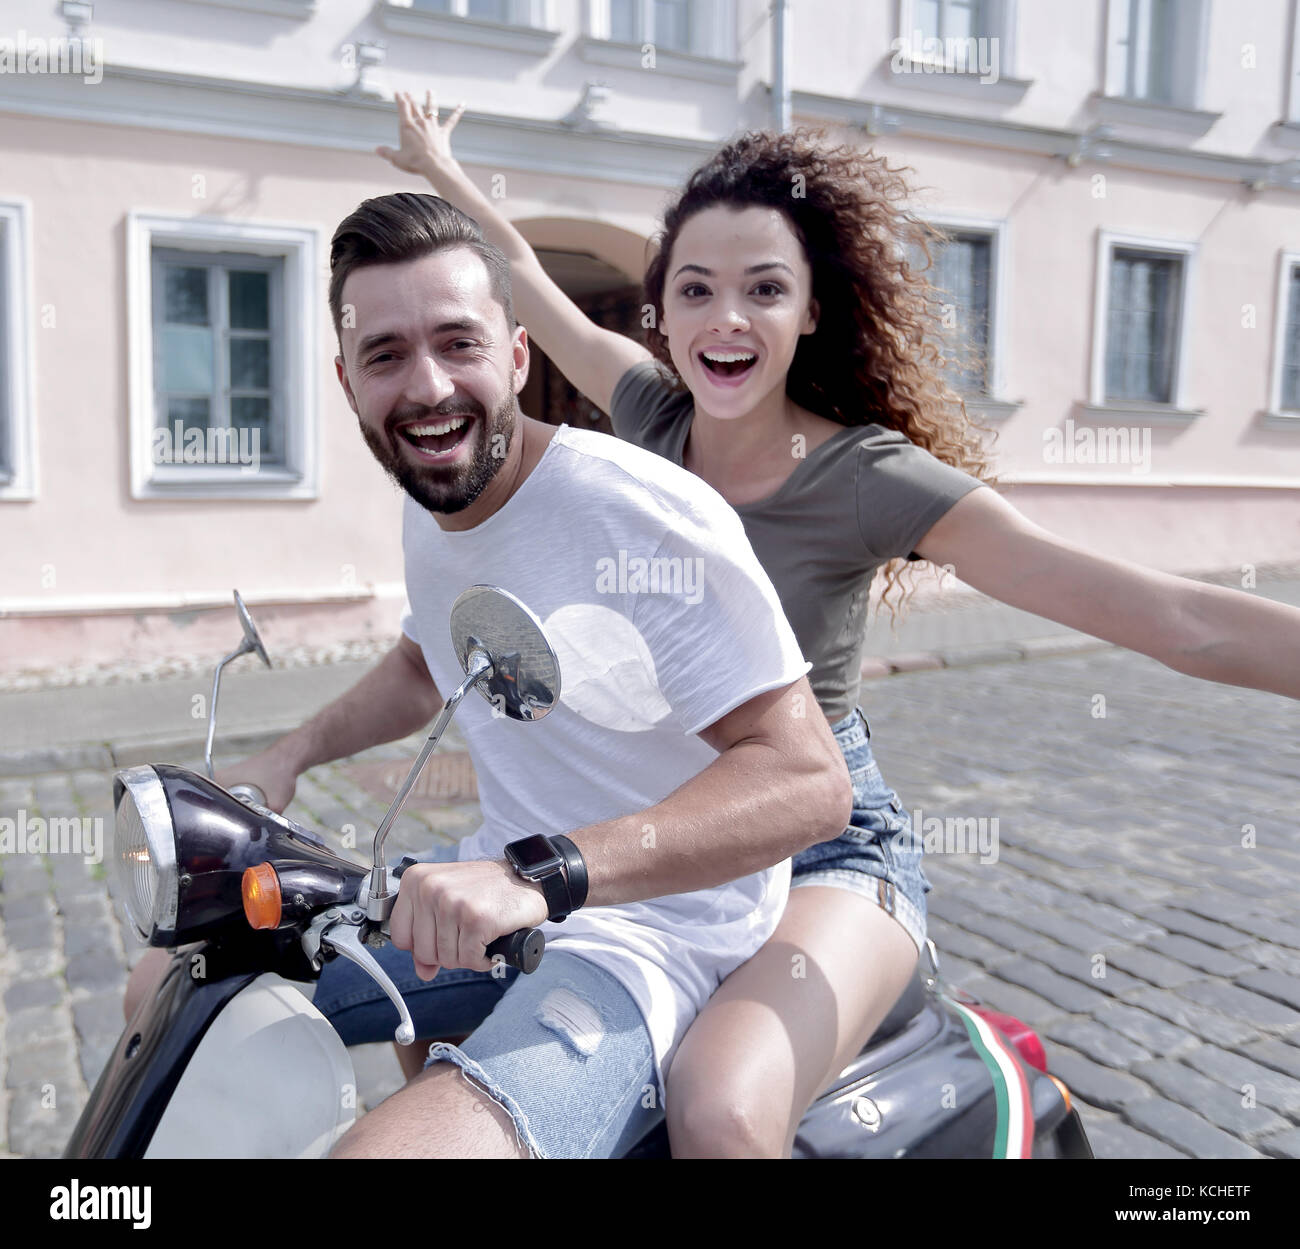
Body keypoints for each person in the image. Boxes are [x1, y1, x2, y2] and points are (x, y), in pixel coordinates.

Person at [380, 89, 1300, 1157]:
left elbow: (1169, 615)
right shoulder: (650, 415)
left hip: (824, 842)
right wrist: (441, 170)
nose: (728, 318)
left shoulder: (865, 478)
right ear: (661, 317)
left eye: (764, 289)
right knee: (430, 995)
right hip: (658, 818)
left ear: (809, 310)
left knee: (719, 1103)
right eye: (697, 290)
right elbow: (522, 279)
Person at [124, 188, 854, 1159]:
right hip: (483, 907)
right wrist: (288, 754)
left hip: (651, 931)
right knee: (175, 994)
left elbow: (808, 781)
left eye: (457, 343)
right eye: (387, 355)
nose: (426, 388)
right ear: (348, 384)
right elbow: (425, 663)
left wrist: (539, 873)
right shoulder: (435, 498)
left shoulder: (636, 516)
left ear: (515, 355)